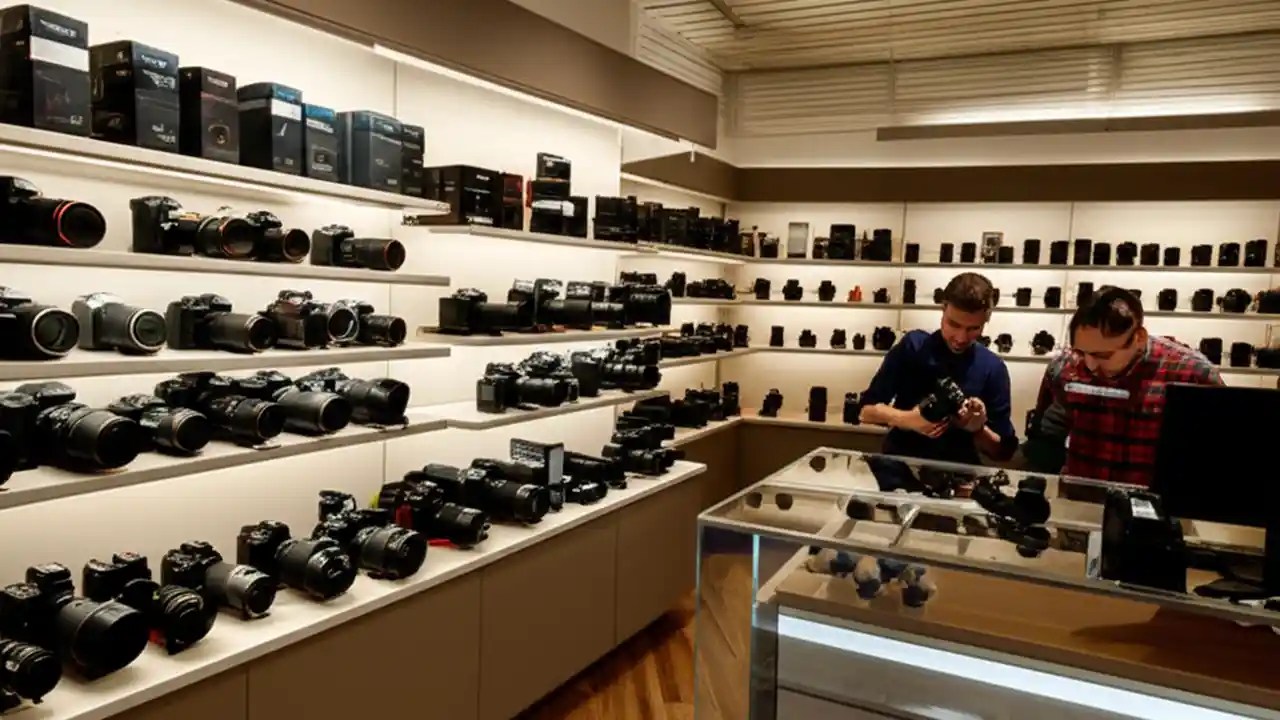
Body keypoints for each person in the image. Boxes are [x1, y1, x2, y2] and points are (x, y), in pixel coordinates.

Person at [1023, 286, 1222, 486]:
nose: (1090, 365)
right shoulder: (1065, 366)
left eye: (1103, 355)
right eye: (1081, 352)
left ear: (1139, 338)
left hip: (1153, 500)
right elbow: (1045, 437)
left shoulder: (1191, 375)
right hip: (1082, 495)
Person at [859, 272, 1018, 465]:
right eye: (954, 324)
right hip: (900, 466)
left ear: (986, 319)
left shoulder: (992, 368)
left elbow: (1003, 452)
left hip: (958, 472)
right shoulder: (913, 347)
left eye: (973, 329)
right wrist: (909, 420)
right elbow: (865, 411)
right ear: (943, 308)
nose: (961, 338)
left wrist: (977, 428)